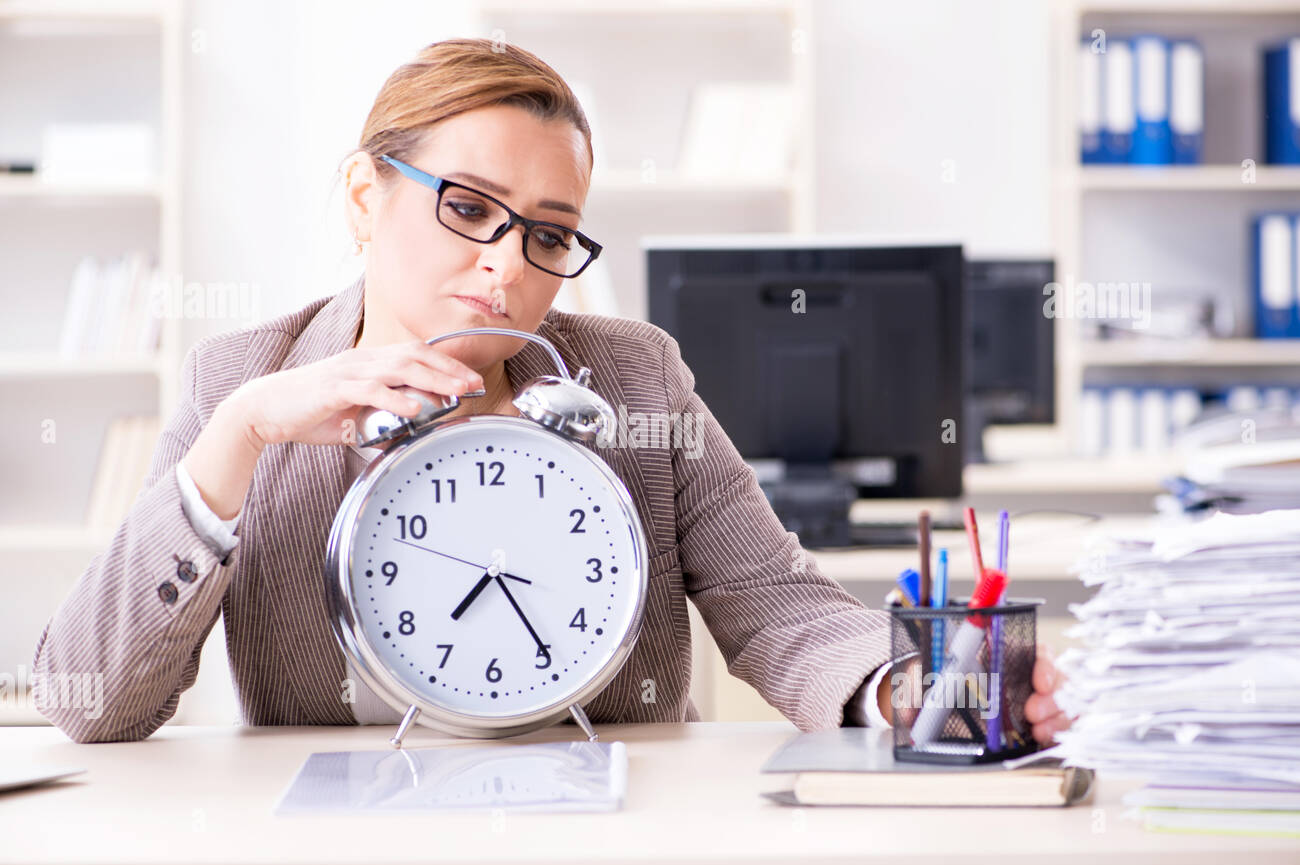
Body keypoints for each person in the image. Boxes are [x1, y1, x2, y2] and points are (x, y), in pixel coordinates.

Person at [33, 37, 1072, 746]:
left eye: (547, 231)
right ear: (364, 194)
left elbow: (774, 605)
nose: (506, 265)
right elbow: (92, 702)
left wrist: (904, 688)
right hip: (341, 830)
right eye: (469, 208)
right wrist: (242, 438)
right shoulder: (246, 384)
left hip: (611, 820)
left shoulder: (631, 375)